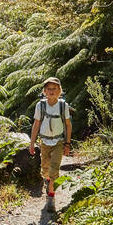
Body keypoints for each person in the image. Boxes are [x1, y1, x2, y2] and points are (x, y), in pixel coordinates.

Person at [29, 77, 71, 212]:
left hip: (58, 141)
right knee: (45, 169)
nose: (51, 91)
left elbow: (68, 125)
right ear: (45, 91)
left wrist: (67, 143)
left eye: (54, 88)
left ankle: (51, 198)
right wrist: (31, 143)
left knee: (54, 170)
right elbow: (36, 125)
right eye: (49, 89)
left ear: (59, 91)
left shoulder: (63, 105)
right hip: (44, 142)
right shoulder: (40, 106)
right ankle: (48, 182)